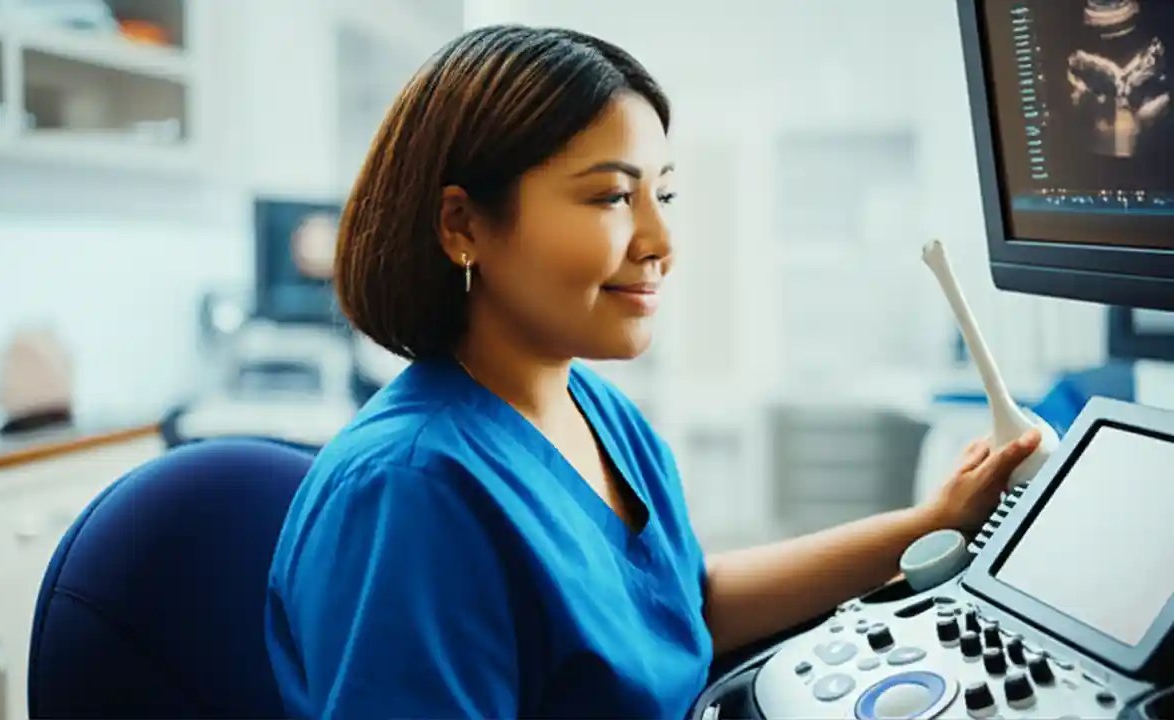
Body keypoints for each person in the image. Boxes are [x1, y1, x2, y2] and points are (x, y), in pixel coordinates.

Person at [264, 24, 1042, 719]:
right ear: (463, 225)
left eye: (664, 192)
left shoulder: (596, 411)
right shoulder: (410, 494)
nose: (661, 238)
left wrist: (934, 522)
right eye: (611, 196)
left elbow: (683, 605)